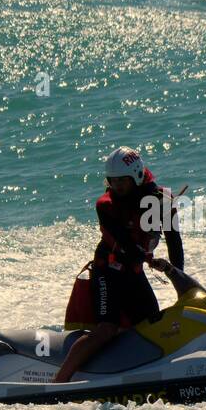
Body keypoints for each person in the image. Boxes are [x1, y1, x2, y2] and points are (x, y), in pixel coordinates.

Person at [53, 147, 184, 383]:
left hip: (133, 272)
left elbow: (175, 243)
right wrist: (147, 257)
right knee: (107, 329)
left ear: (136, 176)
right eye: (112, 181)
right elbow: (126, 245)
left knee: (152, 323)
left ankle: (141, 373)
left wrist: (178, 278)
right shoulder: (105, 205)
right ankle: (58, 382)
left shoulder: (161, 201)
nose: (116, 187)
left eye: (122, 181)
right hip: (108, 271)